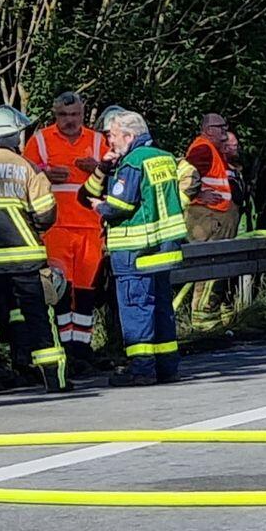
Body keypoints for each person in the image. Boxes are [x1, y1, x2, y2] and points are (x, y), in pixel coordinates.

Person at [0, 107, 68, 394]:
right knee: (38, 317)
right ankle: (55, 381)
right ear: (12, 135)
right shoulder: (25, 167)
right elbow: (46, 213)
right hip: (25, 259)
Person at [88, 108, 189, 385]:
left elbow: (121, 204)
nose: (112, 142)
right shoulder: (164, 158)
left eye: (115, 136)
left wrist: (102, 206)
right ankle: (168, 367)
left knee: (136, 309)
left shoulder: (133, 162)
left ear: (130, 135)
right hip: (163, 250)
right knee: (162, 309)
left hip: (136, 251)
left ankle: (142, 370)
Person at [22, 92, 109, 366]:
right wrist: (44, 175)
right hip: (55, 228)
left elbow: (117, 176)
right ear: (54, 114)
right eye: (63, 115)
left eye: (74, 115)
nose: (69, 121)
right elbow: (23, 174)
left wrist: (99, 169)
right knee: (59, 290)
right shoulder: (40, 141)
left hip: (89, 228)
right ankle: (62, 347)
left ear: (83, 115)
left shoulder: (97, 141)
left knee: (85, 291)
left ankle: (81, 348)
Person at [182, 112, 238, 326]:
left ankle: (211, 320)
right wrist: (196, 195)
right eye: (220, 126)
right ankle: (202, 321)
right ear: (208, 129)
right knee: (208, 271)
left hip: (216, 218)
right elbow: (185, 174)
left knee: (216, 271)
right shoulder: (202, 148)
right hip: (206, 221)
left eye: (226, 125)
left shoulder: (213, 150)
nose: (225, 129)